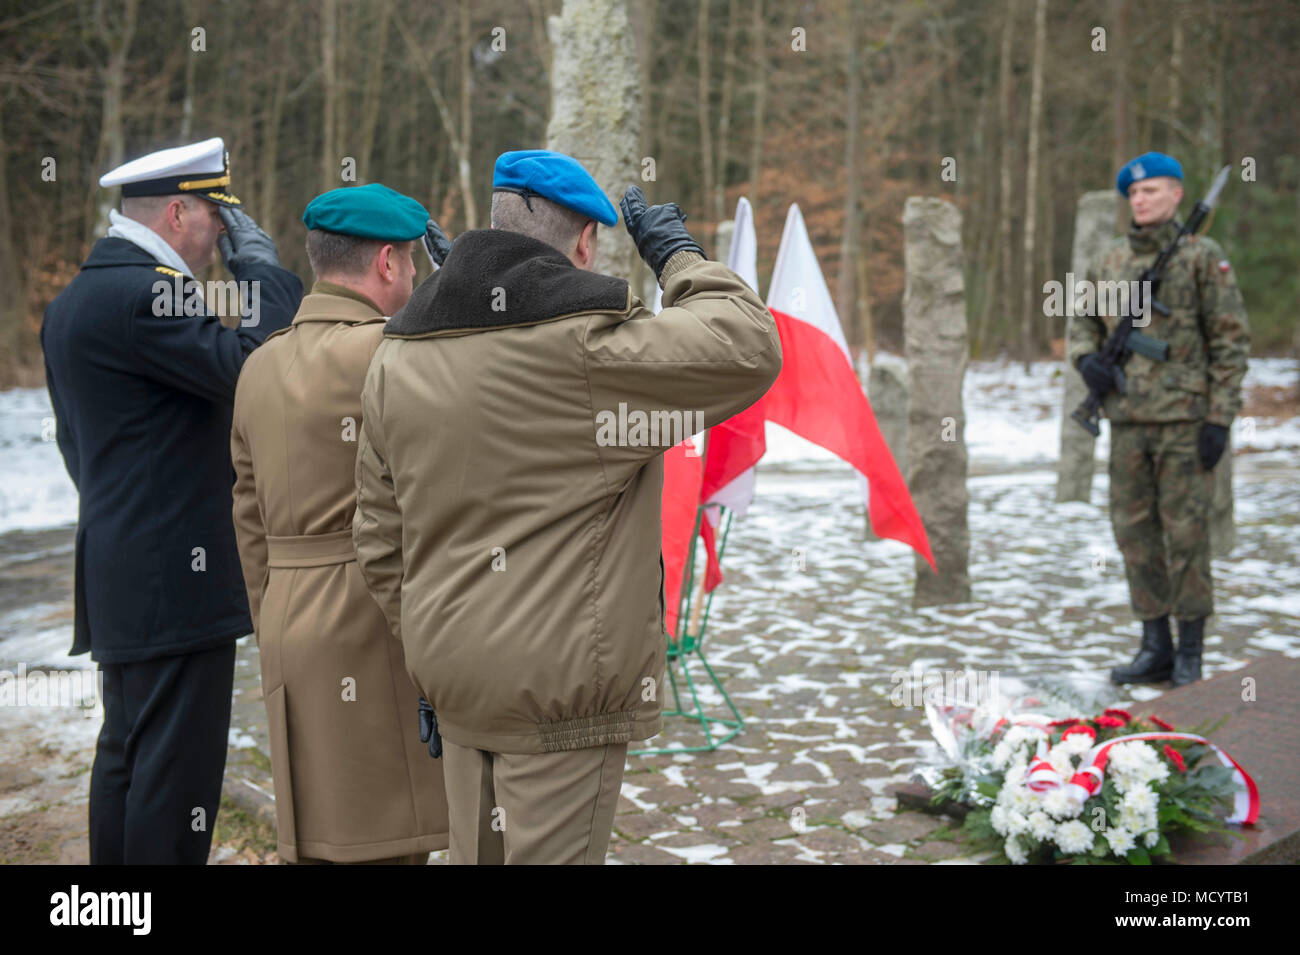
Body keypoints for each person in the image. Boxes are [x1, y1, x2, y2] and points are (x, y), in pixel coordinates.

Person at [353, 149, 782, 864]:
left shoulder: (398, 356)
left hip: (454, 682)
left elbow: (378, 538)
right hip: (559, 699)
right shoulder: (589, 349)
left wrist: (437, 651)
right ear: (585, 242)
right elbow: (748, 344)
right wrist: (679, 256)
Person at [40, 137, 303, 863]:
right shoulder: (147, 291)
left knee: (126, 758)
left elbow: (77, 449)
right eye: (218, 216)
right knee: (176, 777)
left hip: (124, 568)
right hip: (173, 579)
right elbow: (256, 371)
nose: (224, 232)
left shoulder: (76, 299)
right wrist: (263, 272)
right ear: (180, 210)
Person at [230, 184, 450, 864]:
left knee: (323, 840)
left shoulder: (259, 364)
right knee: (390, 840)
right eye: (411, 263)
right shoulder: (393, 351)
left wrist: (272, 614)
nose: (414, 277)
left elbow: (248, 519)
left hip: (288, 621)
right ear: (387, 263)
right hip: (373, 621)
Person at [1068, 151, 1249, 688]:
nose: (1140, 199)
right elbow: (1083, 324)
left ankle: (1190, 649)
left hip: (1184, 423)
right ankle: (1155, 645)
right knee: (1133, 534)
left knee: (1186, 536)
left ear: (1176, 195)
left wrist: (1220, 419)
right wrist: (1088, 363)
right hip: (1126, 422)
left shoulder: (1201, 256)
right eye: (1135, 192)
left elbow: (1231, 342)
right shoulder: (1110, 261)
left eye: (1152, 191)